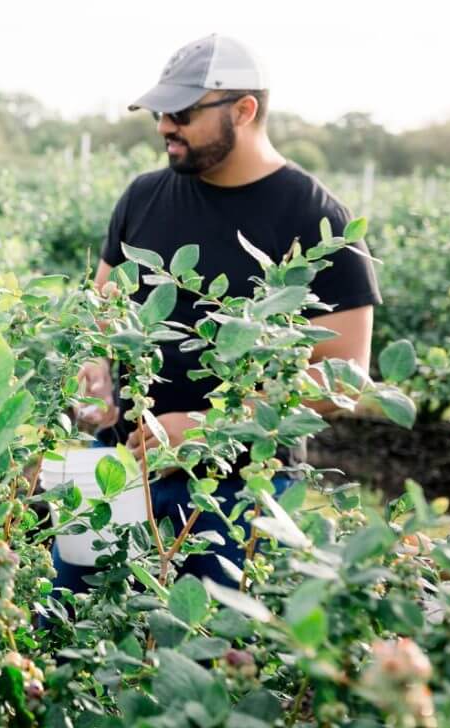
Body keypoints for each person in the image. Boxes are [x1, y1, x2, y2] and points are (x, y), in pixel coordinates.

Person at [66, 34, 381, 587]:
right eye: (161, 112)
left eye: (183, 113)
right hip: (121, 473)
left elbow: (346, 377)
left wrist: (209, 428)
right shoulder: (142, 197)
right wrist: (95, 373)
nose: (165, 125)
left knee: (215, 655)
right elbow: (104, 310)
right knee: (73, 636)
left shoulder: (316, 218)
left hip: (240, 495)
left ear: (244, 109)